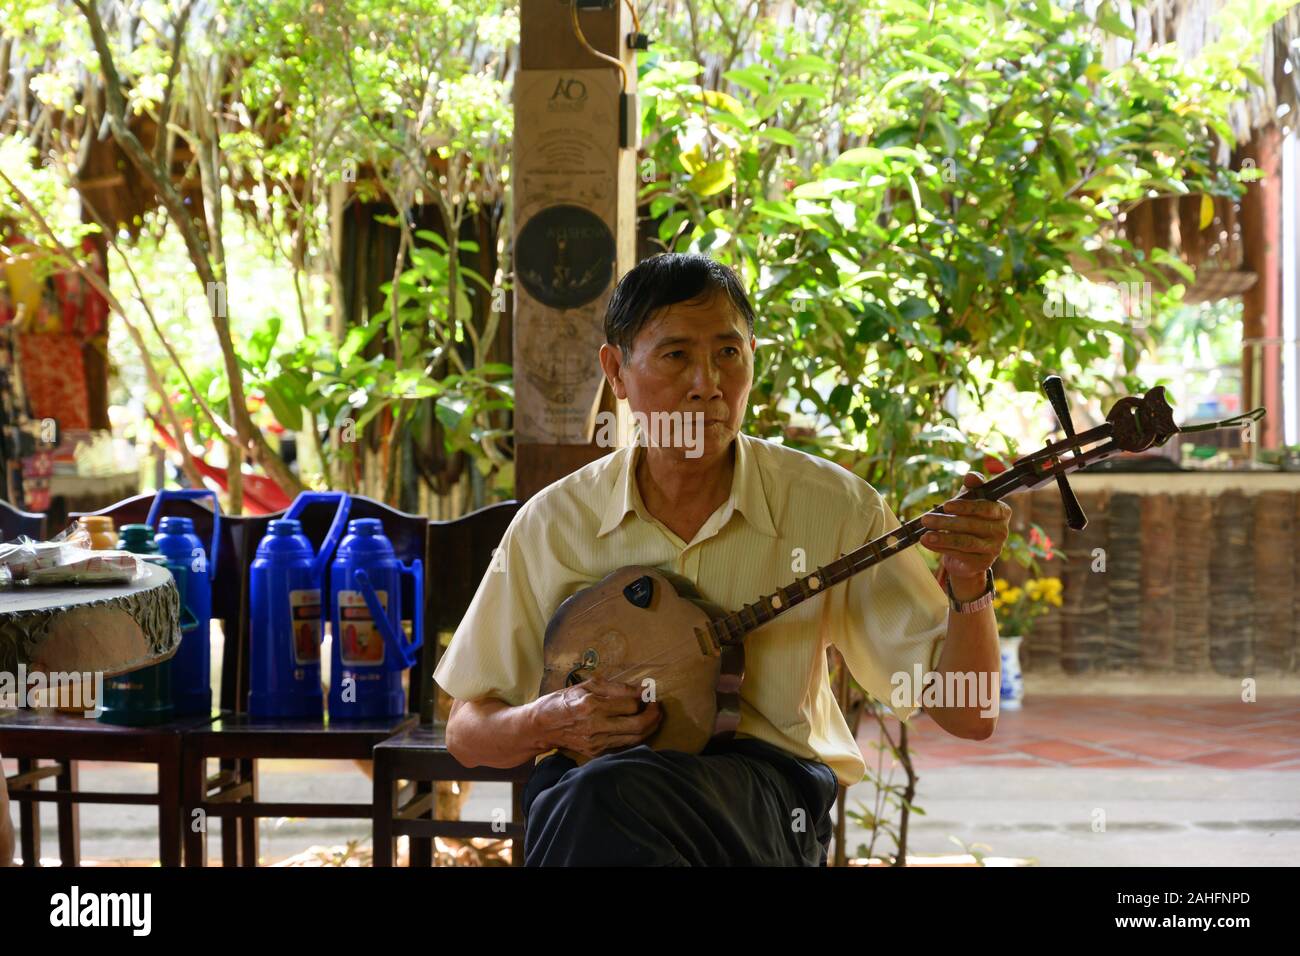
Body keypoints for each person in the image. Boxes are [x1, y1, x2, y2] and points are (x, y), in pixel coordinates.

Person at [435, 253, 1009, 866]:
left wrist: (969, 584)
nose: (706, 382)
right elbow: (468, 733)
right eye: (676, 354)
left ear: (752, 358)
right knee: (598, 795)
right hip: (588, 790)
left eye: (727, 354)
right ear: (616, 372)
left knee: (603, 801)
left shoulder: (832, 507)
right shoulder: (555, 524)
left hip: (765, 798)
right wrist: (551, 720)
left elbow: (967, 713)